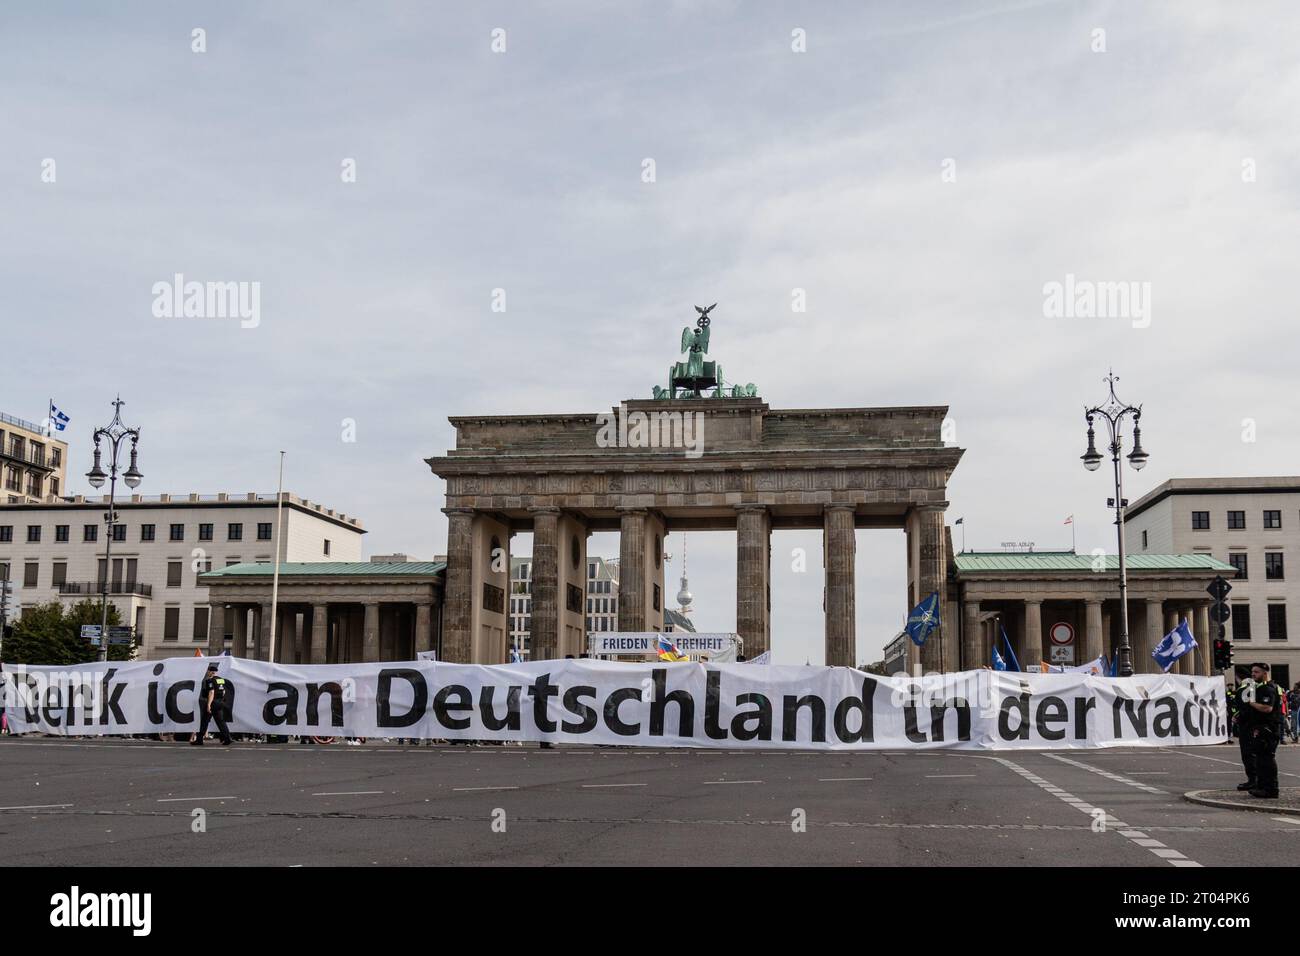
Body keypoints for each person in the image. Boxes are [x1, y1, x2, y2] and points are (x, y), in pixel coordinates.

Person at [1236, 662, 1279, 799]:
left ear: (1265, 673)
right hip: (1259, 728)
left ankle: (1270, 789)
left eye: (1257, 672)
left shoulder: (1267, 689)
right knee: (1260, 759)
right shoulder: (1258, 688)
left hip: (1268, 728)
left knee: (1266, 759)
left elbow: (1267, 708)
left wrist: (1252, 703)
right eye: (1253, 672)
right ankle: (1261, 787)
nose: (1253, 674)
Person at [191, 664, 233, 746]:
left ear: (210, 672)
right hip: (220, 702)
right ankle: (227, 738)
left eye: (209, 671)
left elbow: (211, 692)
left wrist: (209, 705)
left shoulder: (209, 680)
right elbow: (223, 691)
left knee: (204, 721)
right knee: (220, 721)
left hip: (213, 702)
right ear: (216, 672)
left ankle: (199, 740)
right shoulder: (221, 680)